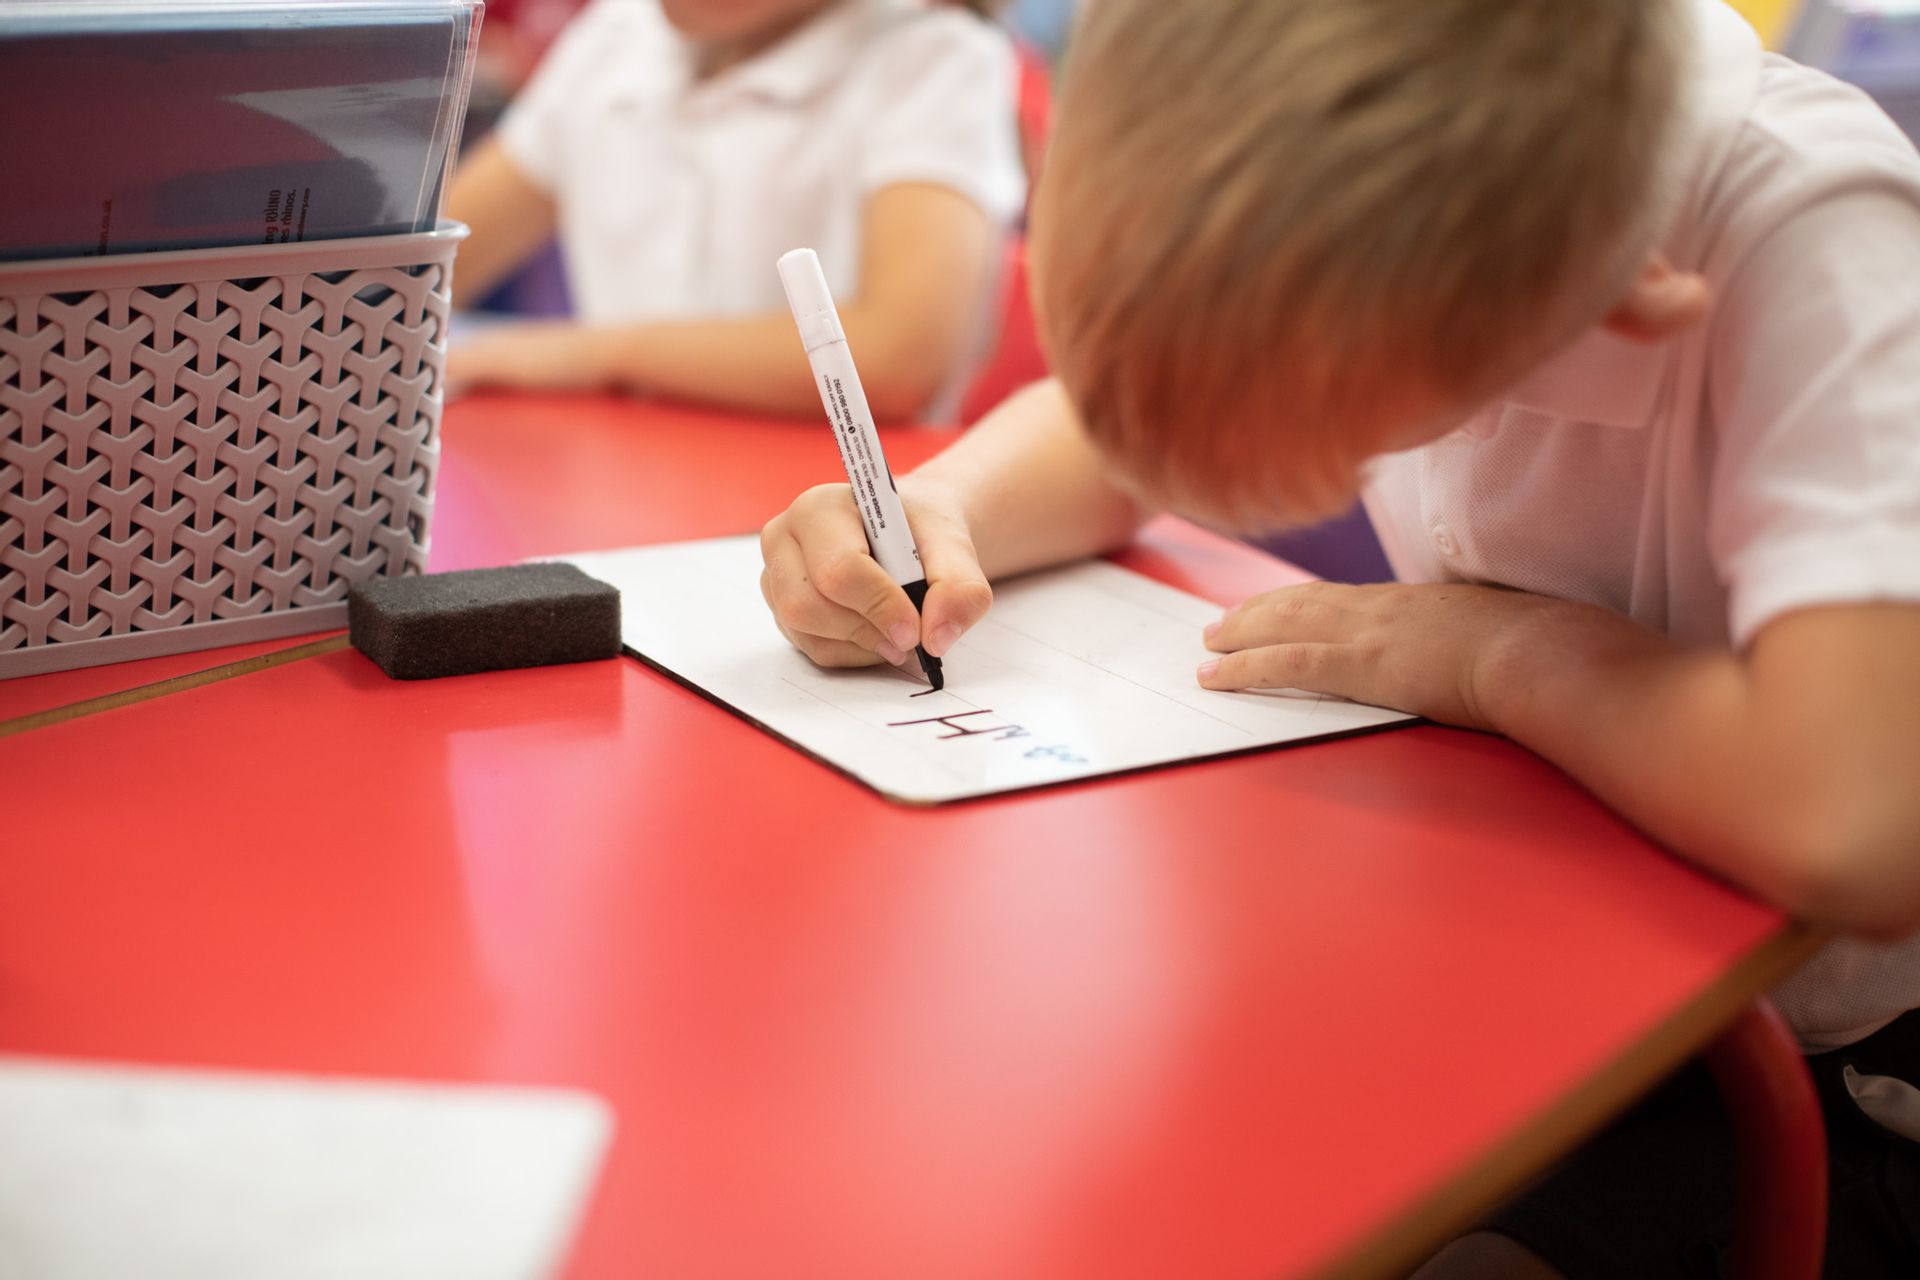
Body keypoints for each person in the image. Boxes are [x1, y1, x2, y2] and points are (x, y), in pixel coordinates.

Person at [755, 0, 1920, 1272]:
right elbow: (1108, 428)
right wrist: (942, 508)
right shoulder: (1371, 175)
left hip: (1821, 1077)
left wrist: (1498, 655)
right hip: (1518, 942)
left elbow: (1856, 818)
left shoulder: (1821, 231)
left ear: (1618, 295)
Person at [445, 0, 1025, 420]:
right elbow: (429, 259)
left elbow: (900, 358)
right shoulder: (615, 34)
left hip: (828, 503)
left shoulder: (934, 56)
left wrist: (591, 353)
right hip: (623, 471)